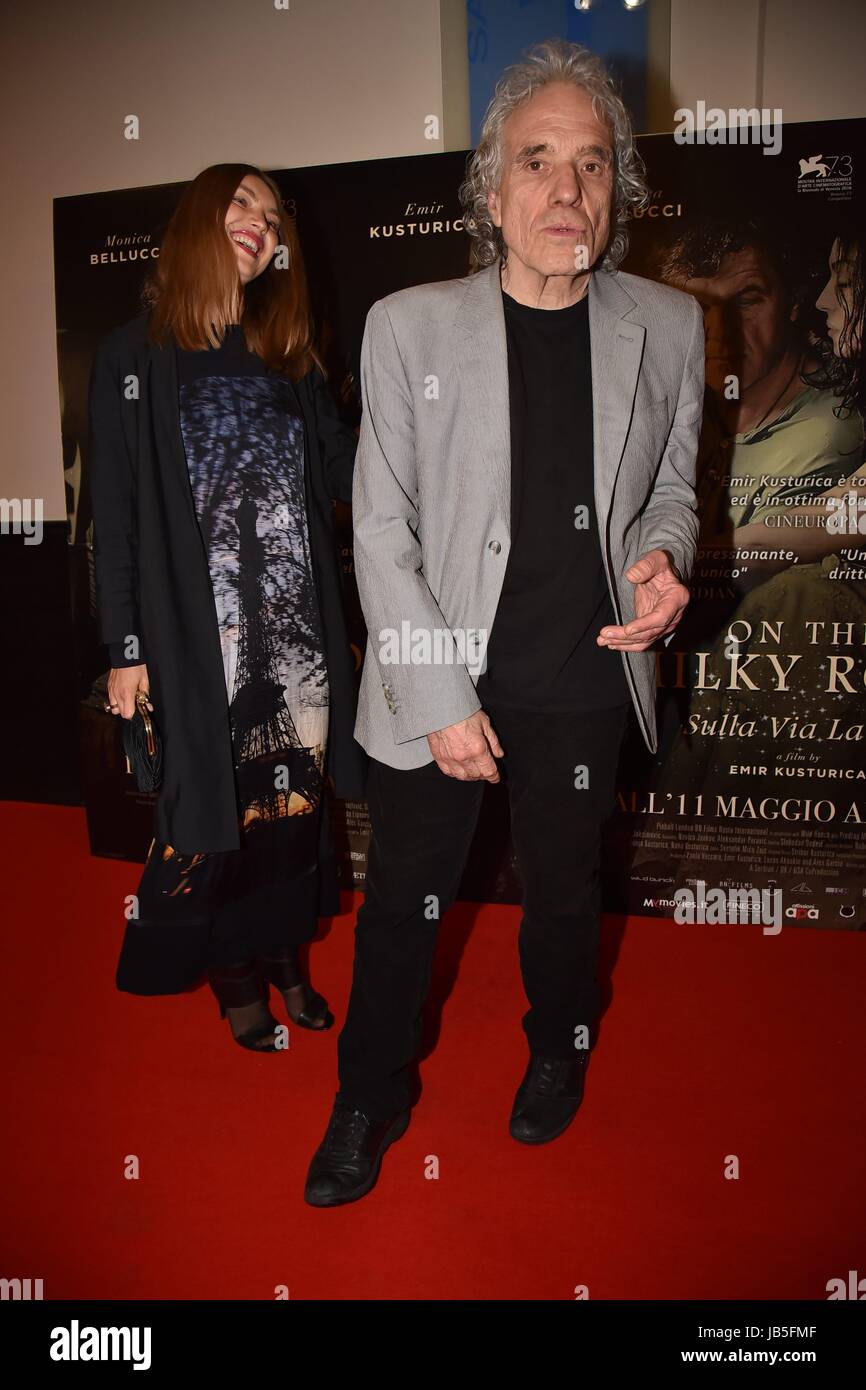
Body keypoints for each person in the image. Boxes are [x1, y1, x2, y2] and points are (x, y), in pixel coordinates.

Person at [303, 39, 704, 1207]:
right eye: (537, 161)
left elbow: (673, 485)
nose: (564, 191)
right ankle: (369, 1094)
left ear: (617, 190)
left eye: (590, 164)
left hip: (582, 674)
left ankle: (556, 1049)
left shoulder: (669, 326)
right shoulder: (407, 327)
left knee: (566, 900)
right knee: (398, 914)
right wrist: (438, 700)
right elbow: (379, 533)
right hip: (440, 678)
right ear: (492, 190)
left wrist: (665, 556)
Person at [89, 163, 366, 1051]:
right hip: (196, 644)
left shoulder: (290, 357)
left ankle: (287, 960)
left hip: (299, 640)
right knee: (217, 820)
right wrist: (125, 650)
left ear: (279, 246)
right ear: (201, 220)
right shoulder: (134, 354)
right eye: (240, 201)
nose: (257, 219)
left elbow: (345, 473)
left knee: (291, 817)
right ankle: (236, 976)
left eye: (271, 214)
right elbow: (118, 520)